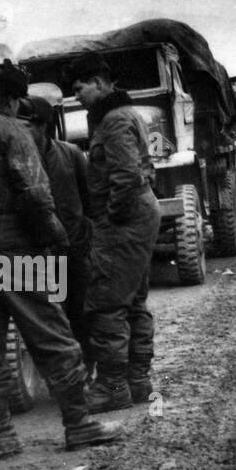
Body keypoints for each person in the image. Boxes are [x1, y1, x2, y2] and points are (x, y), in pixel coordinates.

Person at [0, 61, 122, 457]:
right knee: (52, 333)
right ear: (7, 97)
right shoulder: (12, 131)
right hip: (15, 246)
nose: (20, 105)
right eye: (17, 98)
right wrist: (55, 239)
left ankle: (3, 437)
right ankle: (79, 423)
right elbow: (36, 195)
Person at [69, 53, 162, 412]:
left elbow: (125, 175)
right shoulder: (120, 116)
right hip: (138, 213)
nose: (77, 96)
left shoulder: (113, 121)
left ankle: (111, 386)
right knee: (133, 301)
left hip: (126, 218)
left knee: (106, 302)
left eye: (80, 88)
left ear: (99, 83)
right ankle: (137, 381)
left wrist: (110, 218)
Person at [20, 95, 95, 372]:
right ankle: (64, 374)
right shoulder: (16, 159)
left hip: (74, 250)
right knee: (51, 318)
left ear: (42, 126)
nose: (20, 131)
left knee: (82, 312)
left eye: (26, 125)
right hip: (39, 254)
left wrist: (87, 236)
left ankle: (88, 365)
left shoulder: (71, 154)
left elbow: (89, 202)